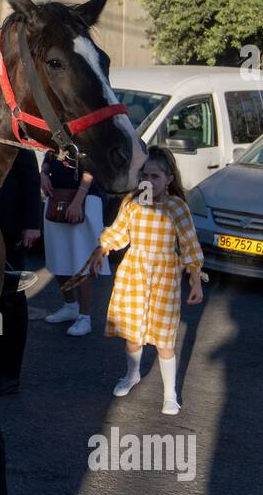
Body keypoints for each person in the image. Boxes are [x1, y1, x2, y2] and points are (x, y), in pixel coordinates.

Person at [86, 147, 204, 415]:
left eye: (155, 176)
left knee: (164, 339)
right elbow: (118, 233)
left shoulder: (177, 207)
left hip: (164, 277)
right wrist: (100, 249)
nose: (148, 181)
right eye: (144, 175)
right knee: (132, 334)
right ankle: (132, 374)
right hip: (134, 273)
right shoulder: (132, 202)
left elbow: (190, 245)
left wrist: (195, 279)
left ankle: (170, 393)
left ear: (169, 179)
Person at [0, 149, 43, 396]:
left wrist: (32, 224)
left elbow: (31, 180)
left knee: (10, 300)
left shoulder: (18, 140)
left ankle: (9, 373)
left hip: (11, 230)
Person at [41, 150, 108, 335]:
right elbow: (48, 159)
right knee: (58, 258)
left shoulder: (84, 134)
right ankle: (70, 306)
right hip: (57, 199)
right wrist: (43, 175)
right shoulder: (56, 134)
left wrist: (78, 201)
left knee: (82, 261)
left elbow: (91, 169)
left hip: (85, 200)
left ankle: (85, 317)